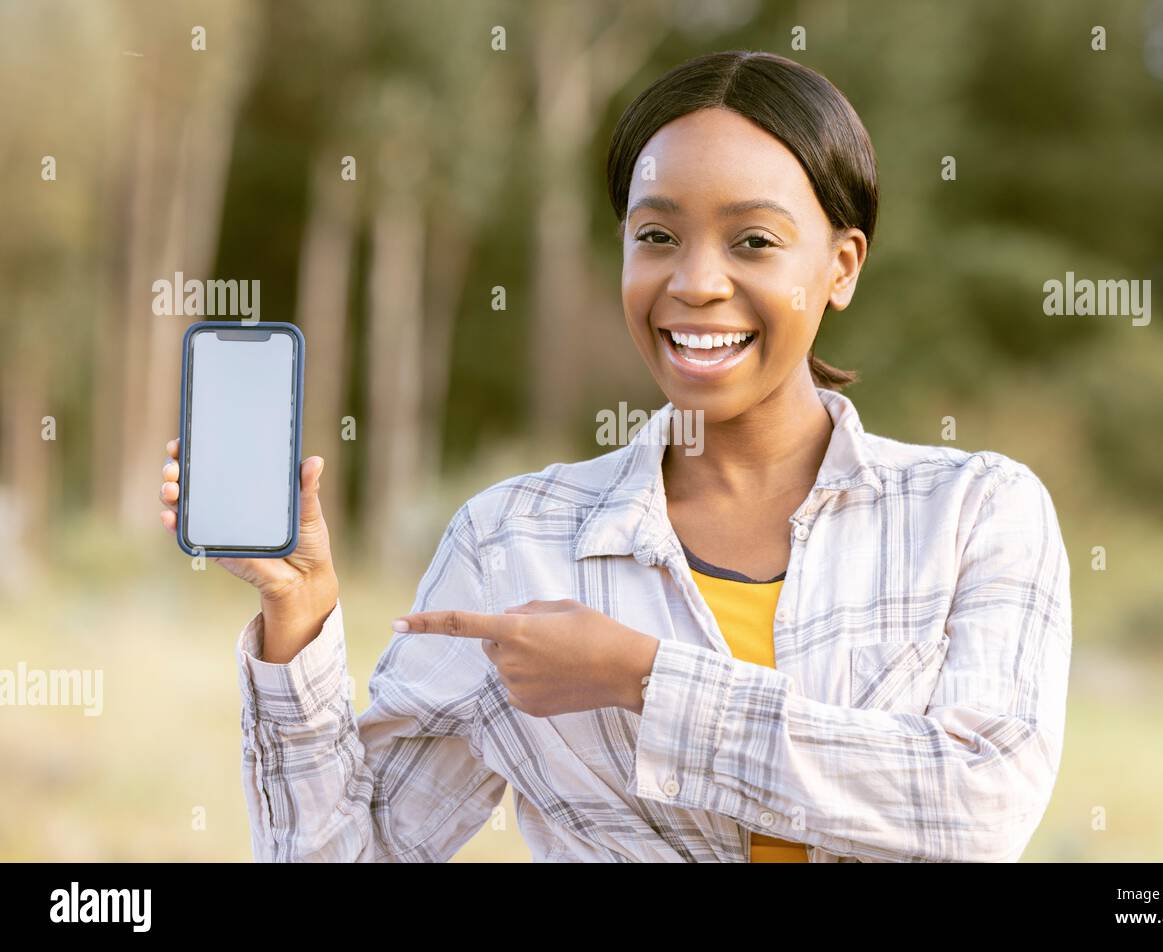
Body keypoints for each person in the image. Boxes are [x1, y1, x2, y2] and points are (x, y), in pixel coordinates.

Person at [158, 50, 1071, 862]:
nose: (695, 281)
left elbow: (978, 807)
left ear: (842, 266)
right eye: (656, 236)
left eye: (753, 240)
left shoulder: (974, 512)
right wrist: (300, 621)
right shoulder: (513, 544)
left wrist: (642, 679)